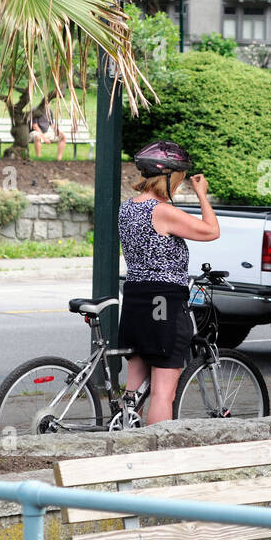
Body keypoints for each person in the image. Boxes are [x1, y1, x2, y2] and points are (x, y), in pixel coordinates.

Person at [118, 140, 218, 424]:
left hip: (136, 298)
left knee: (133, 388)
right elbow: (212, 231)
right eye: (179, 178)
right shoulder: (161, 211)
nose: (180, 184)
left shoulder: (127, 208)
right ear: (169, 177)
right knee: (163, 392)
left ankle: (124, 437)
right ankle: (154, 455)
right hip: (164, 301)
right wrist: (201, 195)